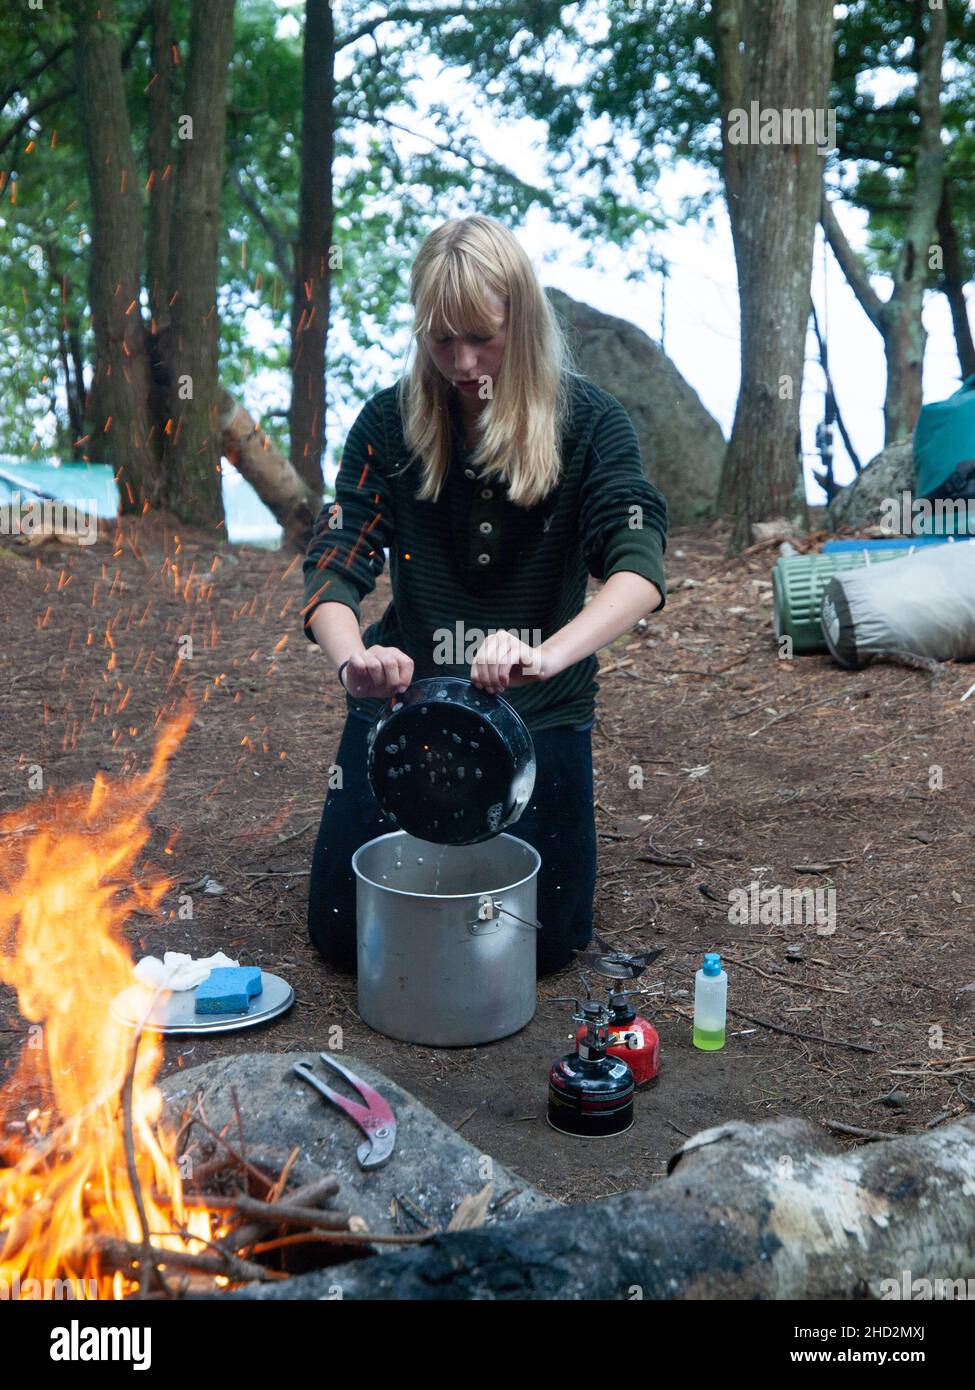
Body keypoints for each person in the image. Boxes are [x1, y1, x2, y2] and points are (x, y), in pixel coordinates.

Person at [302, 214, 667, 976]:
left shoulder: (592, 424)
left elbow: (636, 572)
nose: (463, 362)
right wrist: (354, 664)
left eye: (482, 336)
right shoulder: (386, 423)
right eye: (441, 341)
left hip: (541, 714)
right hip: (408, 709)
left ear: (522, 323)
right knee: (341, 936)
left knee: (543, 946)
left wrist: (544, 654)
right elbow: (336, 565)